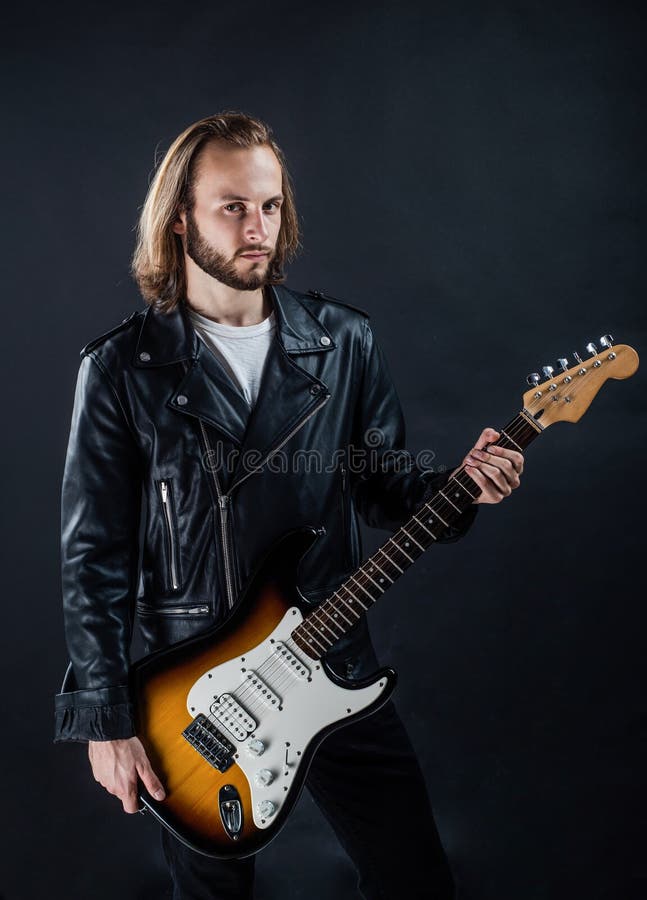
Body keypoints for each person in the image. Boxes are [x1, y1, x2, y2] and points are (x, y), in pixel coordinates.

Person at [54, 111, 524, 899]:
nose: (257, 227)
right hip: (191, 691)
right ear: (179, 219)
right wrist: (105, 716)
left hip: (331, 657)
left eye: (269, 205)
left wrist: (462, 484)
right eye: (232, 206)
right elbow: (92, 554)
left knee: (415, 880)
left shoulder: (343, 342)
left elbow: (386, 488)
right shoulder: (119, 370)